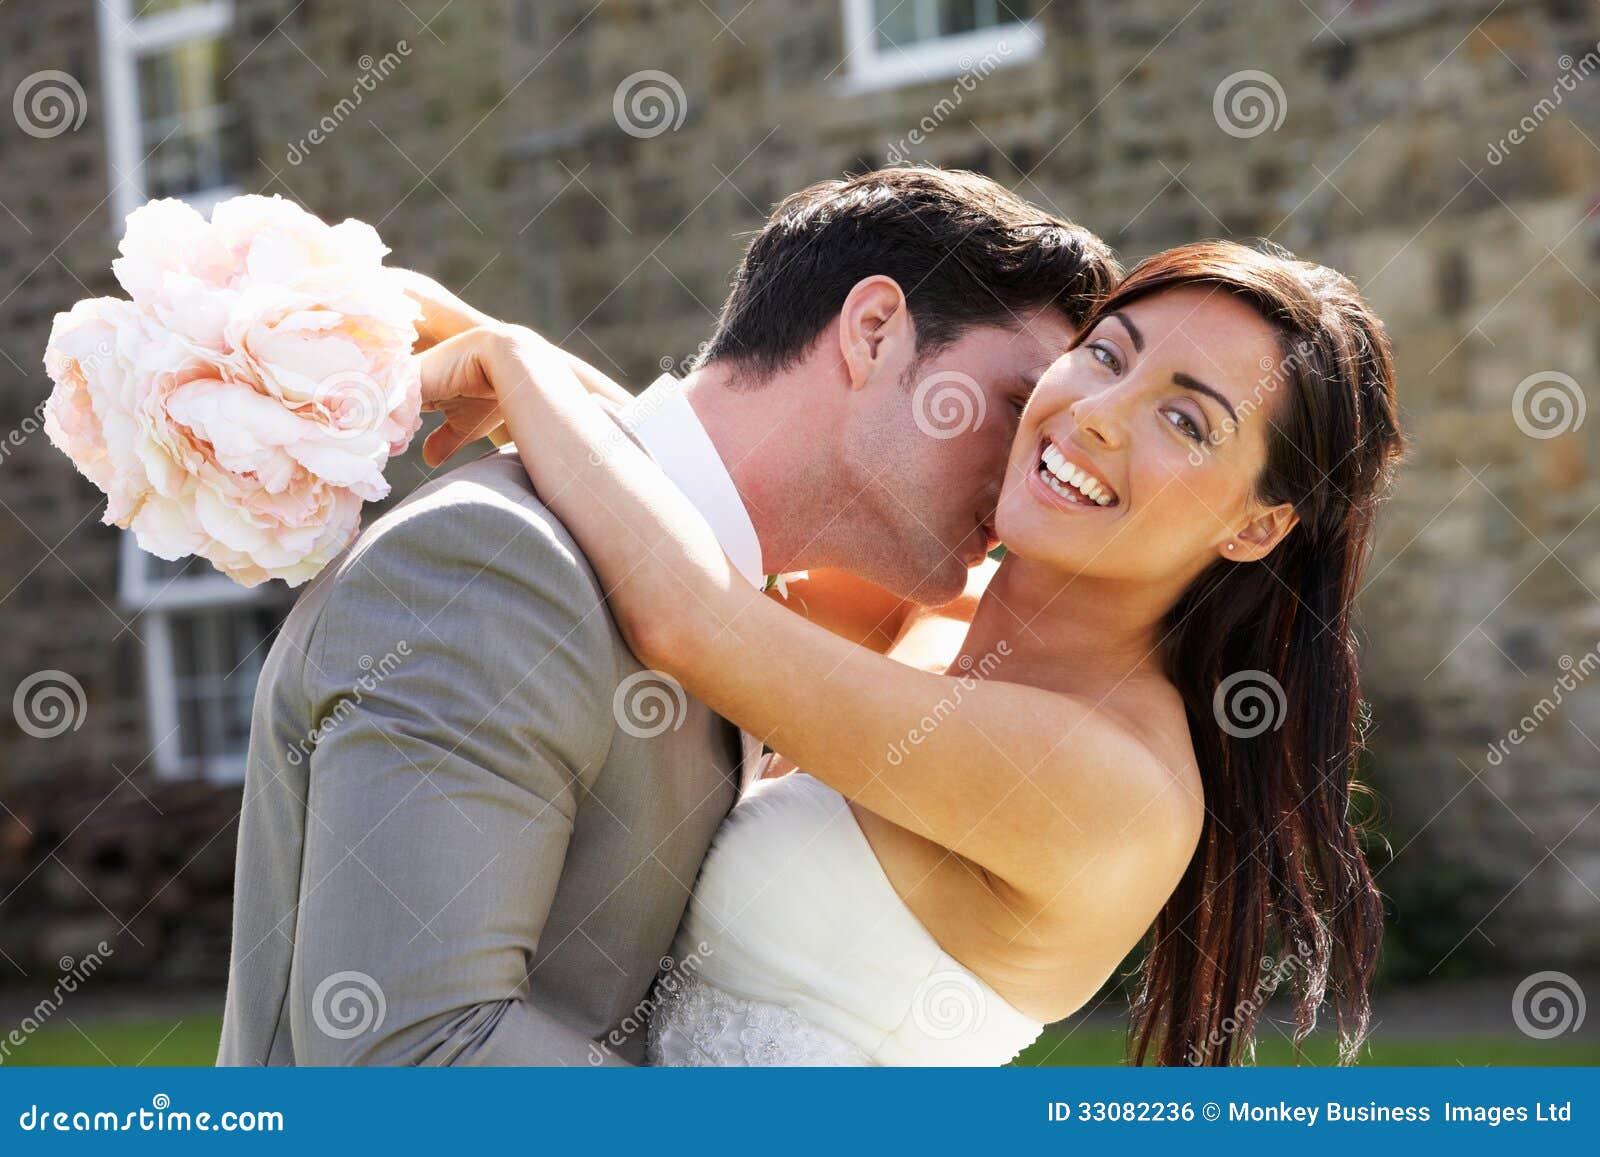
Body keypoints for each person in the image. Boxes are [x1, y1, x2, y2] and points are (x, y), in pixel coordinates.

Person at [414, 239, 1404, 1065]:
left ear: (1257, 526)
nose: (1099, 411)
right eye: (1106, 353)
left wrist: (512, 364)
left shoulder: (1115, 783)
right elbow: (696, 513)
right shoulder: (944, 610)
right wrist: (440, 326)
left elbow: (693, 615)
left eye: (1184, 420)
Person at [217, 167, 1118, 1065]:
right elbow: (411, 1054)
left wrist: (527, 367)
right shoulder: (494, 564)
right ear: (874, 332)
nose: (1024, 476)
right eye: (1014, 406)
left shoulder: (725, 598)